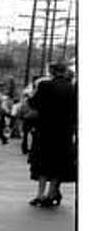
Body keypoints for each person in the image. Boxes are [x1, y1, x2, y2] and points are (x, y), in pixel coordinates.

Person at [27, 61, 76, 207]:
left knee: (43, 162)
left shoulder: (45, 85)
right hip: (63, 132)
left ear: (51, 72)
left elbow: (33, 103)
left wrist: (31, 96)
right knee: (57, 163)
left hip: (45, 130)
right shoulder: (71, 88)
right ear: (64, 71)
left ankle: (40, 194)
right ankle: (51, 193)